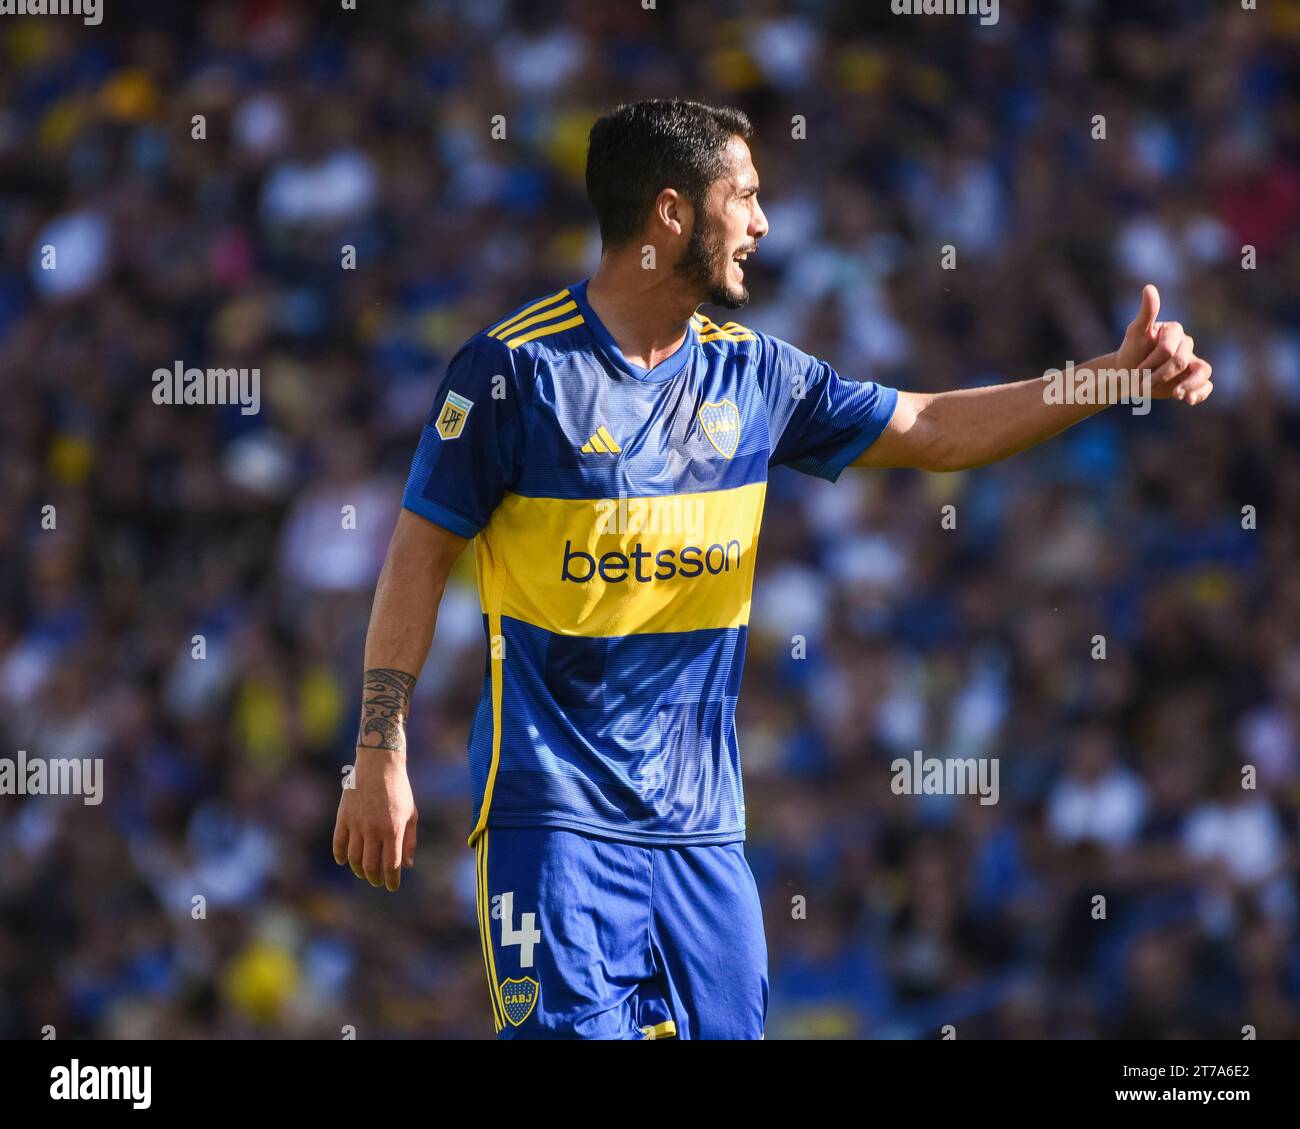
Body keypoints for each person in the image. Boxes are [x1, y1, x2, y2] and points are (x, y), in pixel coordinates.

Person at [331, 99, 1213, 1040]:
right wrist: (379, 747)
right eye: (744, 198)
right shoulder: (515, 371)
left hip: (704, 834)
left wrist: (1104, 378)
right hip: (556, 820)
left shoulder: (755, 376)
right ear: (672, 213)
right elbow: (417, 558)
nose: (763, 224)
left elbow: (935, 428)